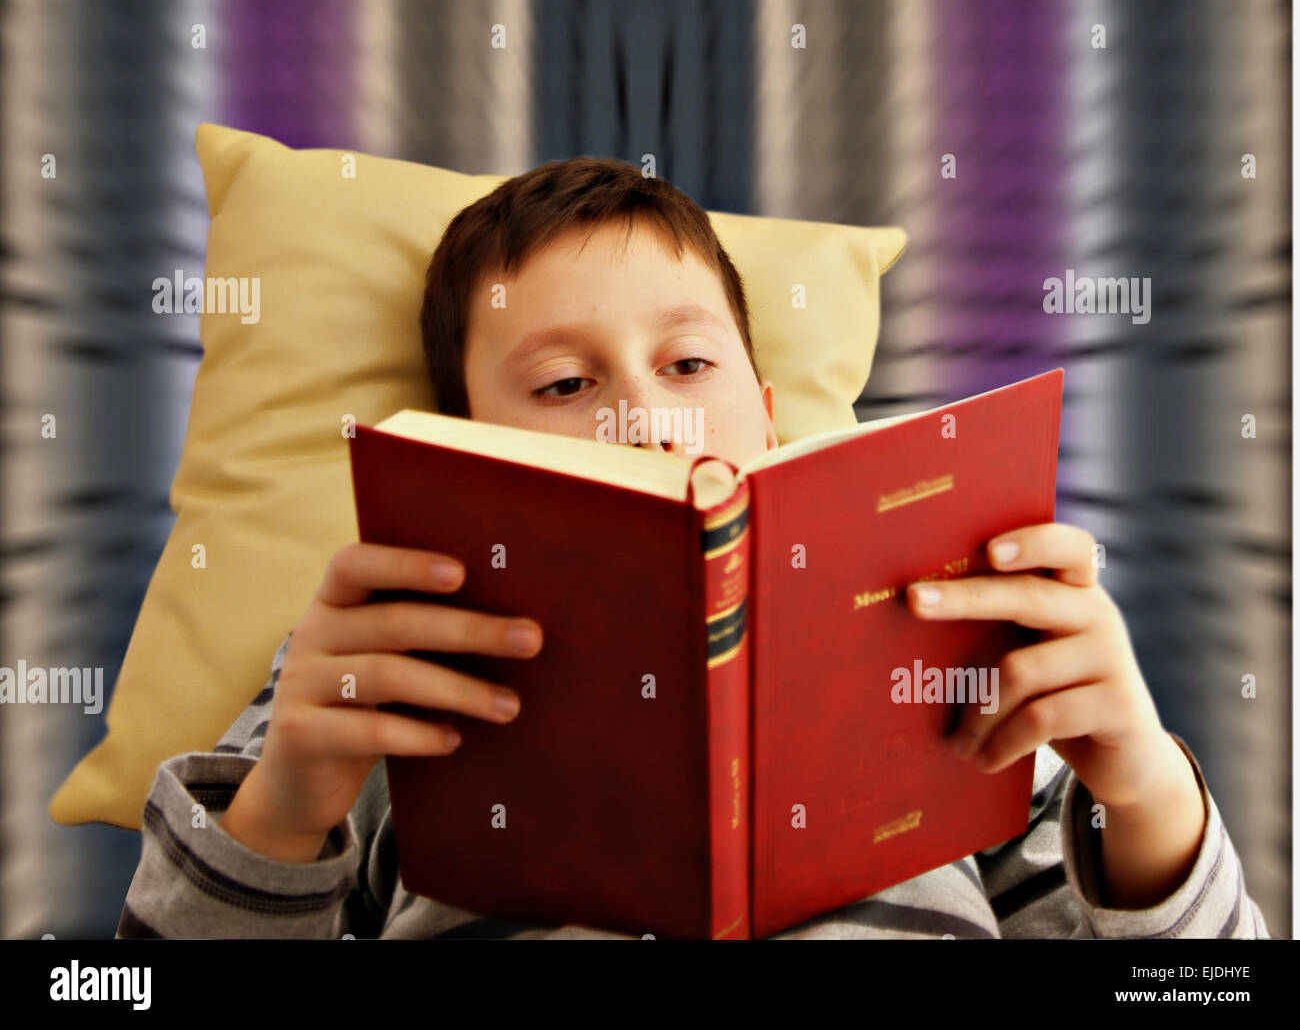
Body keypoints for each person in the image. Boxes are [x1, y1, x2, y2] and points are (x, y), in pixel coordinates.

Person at [117, 157, 1268, 939]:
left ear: (768, 414)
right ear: (457, 451)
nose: (646, 418)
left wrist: (1145, 783)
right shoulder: (372, 646)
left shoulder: (954, 628)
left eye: (688, 366)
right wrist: (283, 804)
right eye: (565, 383)